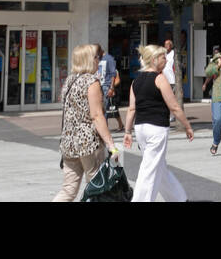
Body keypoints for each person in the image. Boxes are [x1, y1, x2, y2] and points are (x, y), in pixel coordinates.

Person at [124, 44, 194, 202]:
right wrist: (187, 126)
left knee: (158, 166)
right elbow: (175, 107)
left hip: (141, 128)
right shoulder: (160, 78)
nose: (165, 59)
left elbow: (131, 109)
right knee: (149, 170)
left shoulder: (136, 81)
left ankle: (179, 198)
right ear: (154, 60)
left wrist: (128, 132)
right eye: (163, 57)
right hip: (156, 129)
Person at [54, 44, 120, 201]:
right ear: (89, 60)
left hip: (69, 141)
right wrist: (111, 145)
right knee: (97, 186)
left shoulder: (70, 80)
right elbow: (97, 115)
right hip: (88, 142)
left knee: (68, 189)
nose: (99, 60)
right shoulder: (92, 82)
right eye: (96, 57)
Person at [96, 43, 124, 131]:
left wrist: (111, 88)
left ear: (101, 51)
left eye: (97, 53)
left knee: (104, 109)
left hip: (106, 86)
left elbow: (113, 74)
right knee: (102, 109)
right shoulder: (97, 59)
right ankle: (104, 128)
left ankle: (104, 129)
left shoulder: (109, 59)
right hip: (98, 85)